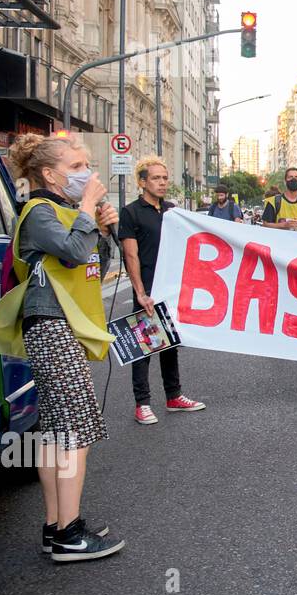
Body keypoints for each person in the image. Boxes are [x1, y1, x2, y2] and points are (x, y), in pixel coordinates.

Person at [0, 133, 123, 561]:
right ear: (48, 174)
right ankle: (70, 535)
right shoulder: (39, 211)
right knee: (77, 427)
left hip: (63, 325)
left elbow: (95, 265)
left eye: (86, 165)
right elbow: (75, 251)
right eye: (76, 167)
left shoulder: (63, 211)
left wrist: (103, 227)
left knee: (56, 430)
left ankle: (57, 525)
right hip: (52, 325)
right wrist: (88, 210)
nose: (86, 173)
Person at [119, 157, 207, 425]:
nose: (162, 183)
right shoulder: (131, 212)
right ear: (142, 182)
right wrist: (140, 292)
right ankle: (142, 404)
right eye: (156, 178)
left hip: (170, 289)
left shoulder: (171, 211)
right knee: (144, 347)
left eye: (165, 178)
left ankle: (174, 396)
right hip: (147, 289)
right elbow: (130, 255)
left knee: (171, 344)